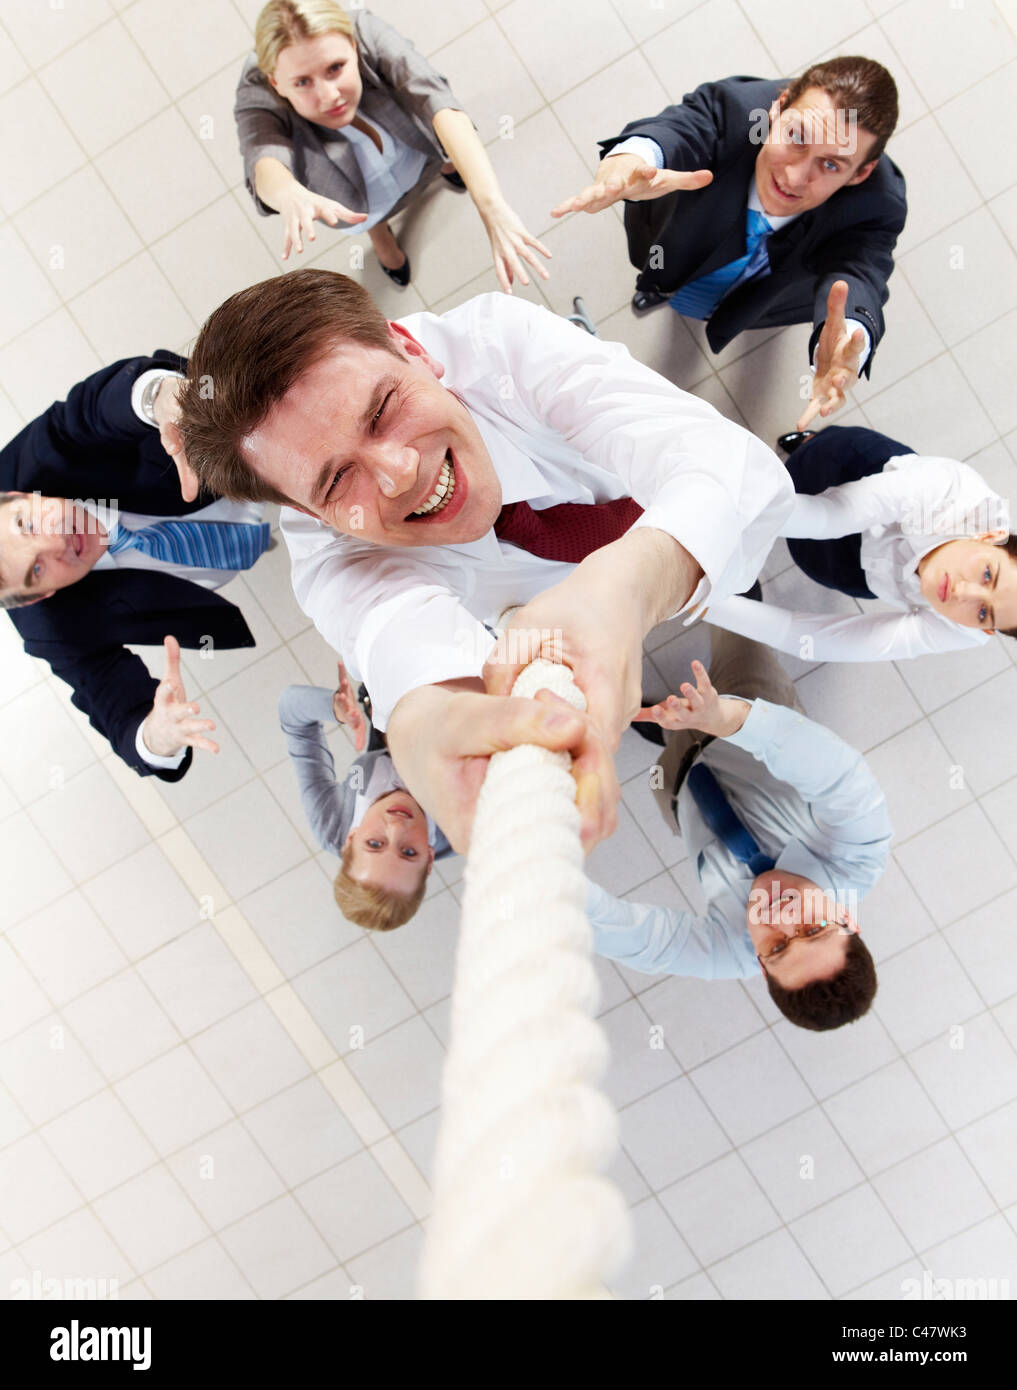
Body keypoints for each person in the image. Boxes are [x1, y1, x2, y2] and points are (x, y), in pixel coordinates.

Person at [175, 267, 793, 851]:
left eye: (383, 410)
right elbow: (396, 642)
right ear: (308, 513)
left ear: (412, 349)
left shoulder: (499, 343)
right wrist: (432, 723)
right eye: (337, 481)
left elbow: (730, 467)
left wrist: (628, 587)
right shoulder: (330, 561)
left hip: (640, 505)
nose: (399, 472)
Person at [551, 57, 907, 434]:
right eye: (797, 138)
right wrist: (629, 161)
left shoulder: (879, 204)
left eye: (831, 165)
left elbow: (861, 271)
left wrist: (848, 334)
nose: (794, 177)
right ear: (777, 108)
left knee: (743, 307)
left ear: (861, 173)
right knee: (665, 273)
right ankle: (661, 290)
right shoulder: (736, 108)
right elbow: (680, 130)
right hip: (678, 245)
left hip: (769, 291)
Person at [589, 628, 890, 1031]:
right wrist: (726, 719)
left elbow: (644, 942)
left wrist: (543, 882)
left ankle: (666, 730)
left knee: (669, 745)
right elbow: (838, 776)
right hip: (749, 713)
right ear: (847, 919)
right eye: (813, 928)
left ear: (761, 967)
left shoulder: (732, 951)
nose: (782, 915)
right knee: (733, 622)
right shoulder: (859, 854)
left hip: (679, 784)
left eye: (777, 946)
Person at [0, 355, 269, 781]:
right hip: (219, 553)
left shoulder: (38, 459)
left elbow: (94, 408)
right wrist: (156, 736)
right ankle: (262, 537)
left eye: (27, 525)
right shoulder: (51, 628)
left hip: (230, 449)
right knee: (267, 537)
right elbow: (117, 714)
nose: (56, 542)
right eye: (36, 570)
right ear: (41, 595)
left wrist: (158, 399)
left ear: (20, 495)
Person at [236, 0, 550, 291]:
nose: (330, 96)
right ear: (276, 83)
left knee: (446, 151)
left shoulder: (364, 30)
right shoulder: (257, 87)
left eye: (335, 68)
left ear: (353, 45)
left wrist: (491, 206)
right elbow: (263, 156)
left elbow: (434, 99)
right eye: (303, 82)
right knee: (365, 215)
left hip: (414, 147)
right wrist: (287, 192)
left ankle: (445, 165)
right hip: (355, 195)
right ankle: (379, 231)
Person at [705, 425, 1017, 663]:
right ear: (990, 537)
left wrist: (703, 602)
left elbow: (820, 640)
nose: (963, 593)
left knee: (804, 551)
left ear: (986, 630)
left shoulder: (965, 630)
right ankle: (806, 445)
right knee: (804, 468)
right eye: (988, 574)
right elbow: (830, 516)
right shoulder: (950, 491)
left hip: (861, 570)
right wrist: (723, 514)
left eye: (983, 613)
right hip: (853, 473)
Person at [279, 662, 454, 929]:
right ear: (429, 858)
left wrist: (335, 708)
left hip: (389, 723)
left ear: (350, 838)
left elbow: (292, 712)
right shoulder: (463, 827)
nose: (396, 826)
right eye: (408, 852)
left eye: (374, 843)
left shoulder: (332, 823)